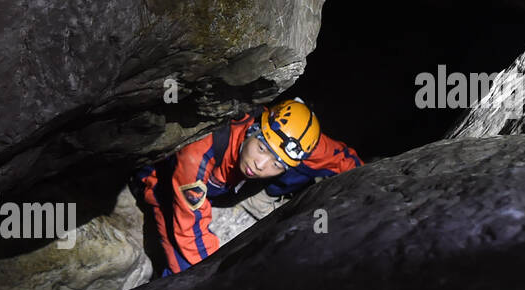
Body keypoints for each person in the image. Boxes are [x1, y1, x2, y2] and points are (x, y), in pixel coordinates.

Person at [134, 98, 362, 275]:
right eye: (262, 148)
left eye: (276, 163)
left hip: (230, 179)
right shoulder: (200, 152)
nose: (261, 165)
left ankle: (265, 193)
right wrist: (218, 275)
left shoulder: (294, 142)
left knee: (300, 166)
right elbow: (190, 230)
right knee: (184, 270)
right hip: (166, 179)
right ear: (254, 128)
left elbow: (342, 159)